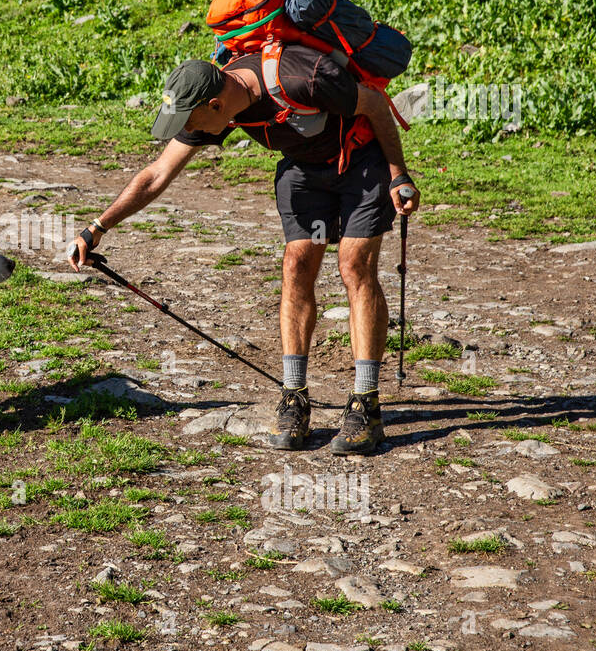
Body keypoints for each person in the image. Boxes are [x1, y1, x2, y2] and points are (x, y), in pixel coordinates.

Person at [67, 48, 420, 454]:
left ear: (214, 105)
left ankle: (365, 404)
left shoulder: (303, 79)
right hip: (304, 171)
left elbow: (374, 103)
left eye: (190, 121)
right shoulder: (218, 105)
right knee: (296, 265)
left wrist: (398, 174)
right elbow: (157, 174)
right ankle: (294, 396)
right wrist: (97, 228)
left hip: (361, 165)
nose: (190, 131)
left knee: (354, 266)